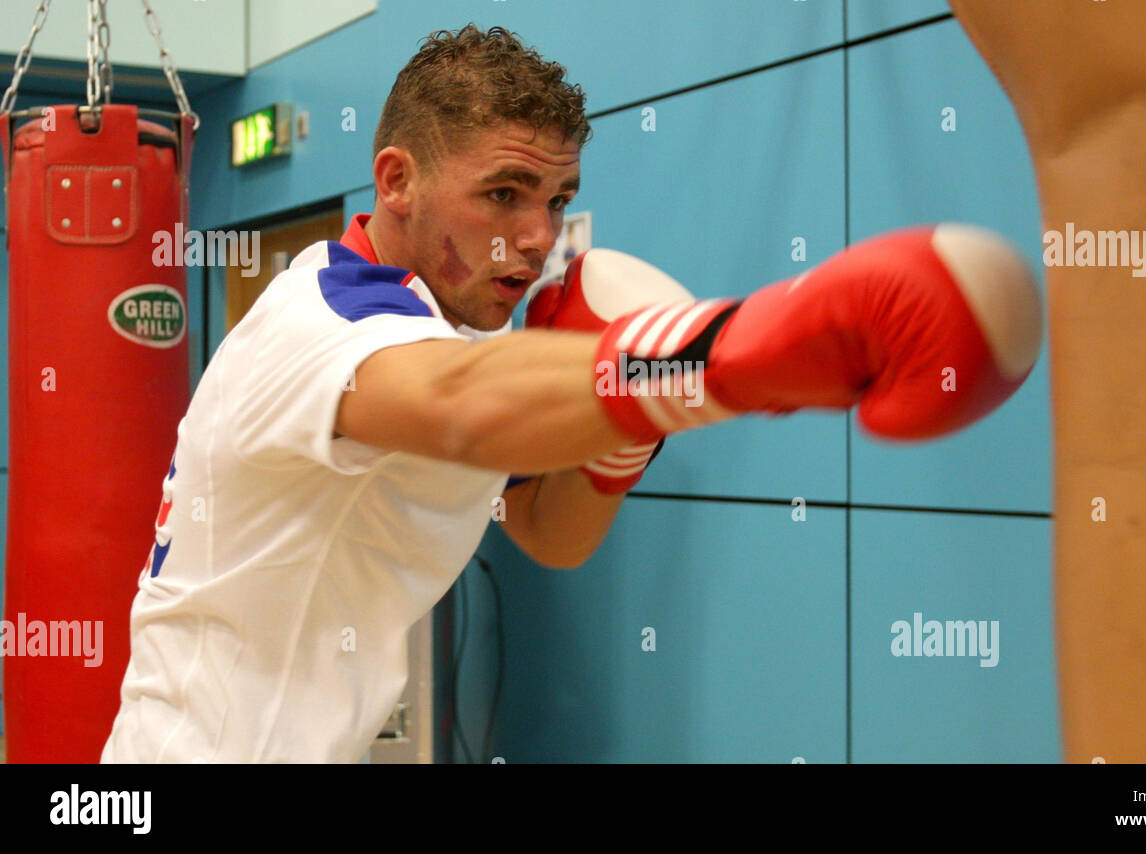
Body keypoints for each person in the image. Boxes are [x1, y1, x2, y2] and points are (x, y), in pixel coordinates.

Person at [101, 24, 1039, 763]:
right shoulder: (319, 320)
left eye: (556, 199)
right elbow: (457, 404)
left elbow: (549, 533)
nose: (538, 235)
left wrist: (621, 439)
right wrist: (733, 351)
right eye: (504, 193)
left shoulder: (454, 335)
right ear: (397, 181)